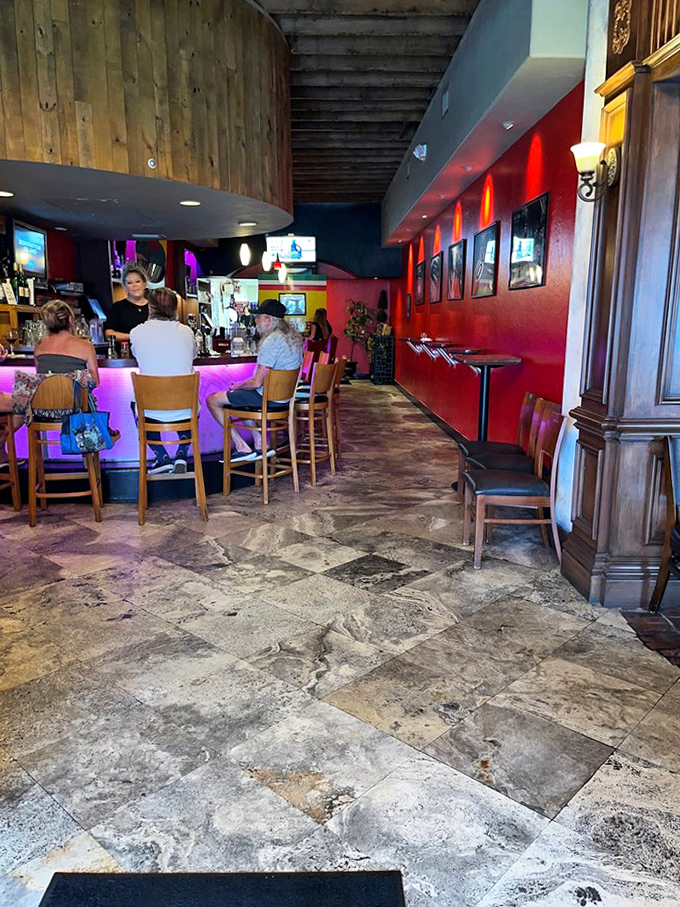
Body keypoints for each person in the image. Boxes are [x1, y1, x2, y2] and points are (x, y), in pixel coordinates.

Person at [207, 298, 303, 461]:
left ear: (269, 319)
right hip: (285, 399)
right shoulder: (292, 338)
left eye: (259, 316)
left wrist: (239, 385)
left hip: (269, 399)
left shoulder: (271, 341)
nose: (256, 320)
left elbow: (256, 382)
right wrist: (242, 387)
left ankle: (241, 445)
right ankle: (259, 442)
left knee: (213, 400)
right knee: (242, 398)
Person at [130, 287, 196, 474]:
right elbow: (193, 355)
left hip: (151, 410)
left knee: (135, 404)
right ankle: (181, 453)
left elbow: (136, 355)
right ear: (174, 309)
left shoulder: (137, 332)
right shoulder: (187, 332)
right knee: (192, 403)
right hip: (185, 409)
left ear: (150, 307)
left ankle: (162, 456)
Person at [34, 300, 100, 385]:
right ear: (70, 319)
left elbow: (40, 377)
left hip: (45, 397)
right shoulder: (86, 346)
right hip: (74, 398)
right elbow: (95, 381)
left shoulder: (39, 345)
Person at [105, 264, 149, 342]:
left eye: (138, 281)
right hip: (124, 352)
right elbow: (109, 334)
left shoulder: (154, 307)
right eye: (129, 283)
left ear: (144, 284)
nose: (134, 285)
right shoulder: (117, 307)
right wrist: (132, 336)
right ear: (125, 287)